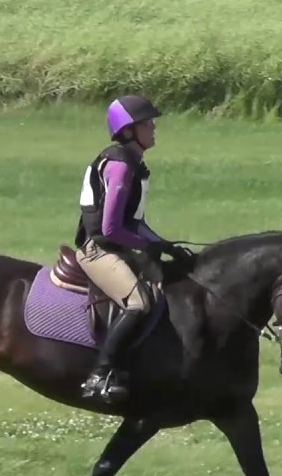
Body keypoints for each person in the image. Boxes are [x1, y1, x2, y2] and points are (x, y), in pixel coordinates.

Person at [73, 94, 194, 403]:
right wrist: (146, 246)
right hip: (98, 251)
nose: (154, 127)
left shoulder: (134, 164)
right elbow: (111, 228)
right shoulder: (119, 166)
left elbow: (136, 222)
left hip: (120, 248)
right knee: (139, 303)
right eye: (147, 123)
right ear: (128, 130)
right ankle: (100, 373)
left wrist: (165, 245)